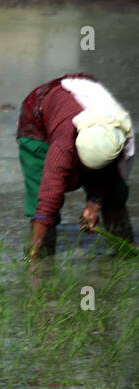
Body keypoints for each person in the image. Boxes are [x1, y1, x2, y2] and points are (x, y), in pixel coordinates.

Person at [17, 74, 134, 258]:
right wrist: (31, 257)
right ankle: (42, 259)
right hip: (37, 126)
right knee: (40, 195)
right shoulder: (63, 148)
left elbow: (109, 173)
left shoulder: (116, 131)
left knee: (114, 191)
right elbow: (48, 200)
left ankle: (126, 250)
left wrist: (94, 204)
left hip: (82, 98)